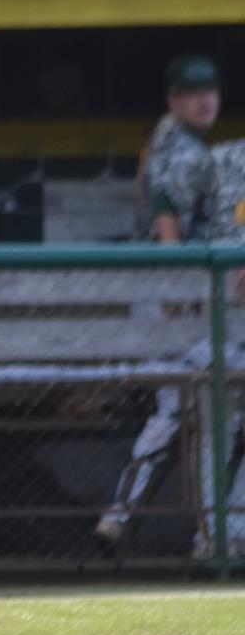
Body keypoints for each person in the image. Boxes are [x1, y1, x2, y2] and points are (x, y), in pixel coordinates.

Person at [95, 54, 227, 552]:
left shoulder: (170, 142)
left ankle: (126, 516)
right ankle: (206, 532)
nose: (204, 99)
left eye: (210, 89)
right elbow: (168, 227)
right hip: (169, 296)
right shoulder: (180, 152)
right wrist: (176, 296)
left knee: (183, 411)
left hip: (167, 296)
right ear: (174, 99)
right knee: (182, 409)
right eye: (192, 91)